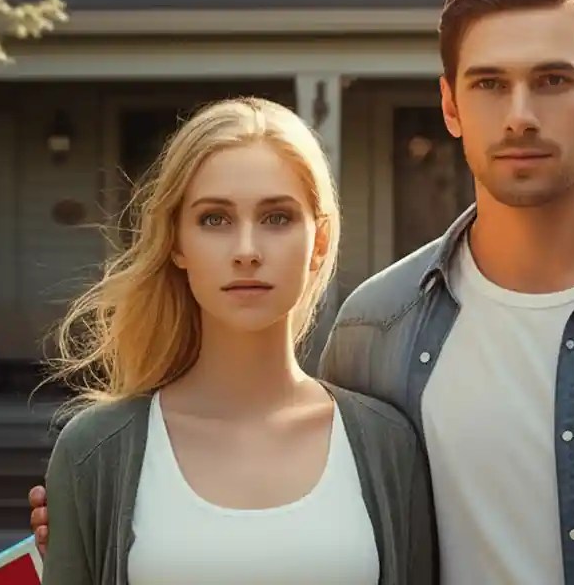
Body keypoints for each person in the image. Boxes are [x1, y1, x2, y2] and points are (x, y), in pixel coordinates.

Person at [30, 0, 574, 584]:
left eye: (553, 80)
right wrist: (110, 510)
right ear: (450, 105)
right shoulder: (377, 327)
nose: (522, 114)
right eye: (490, 84)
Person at [36, 97, 435, 585]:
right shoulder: (95, 452)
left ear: (321, 243)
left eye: (277, 218)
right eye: (214, 220)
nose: (247, 251)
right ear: (176, 243)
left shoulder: (387, 445)